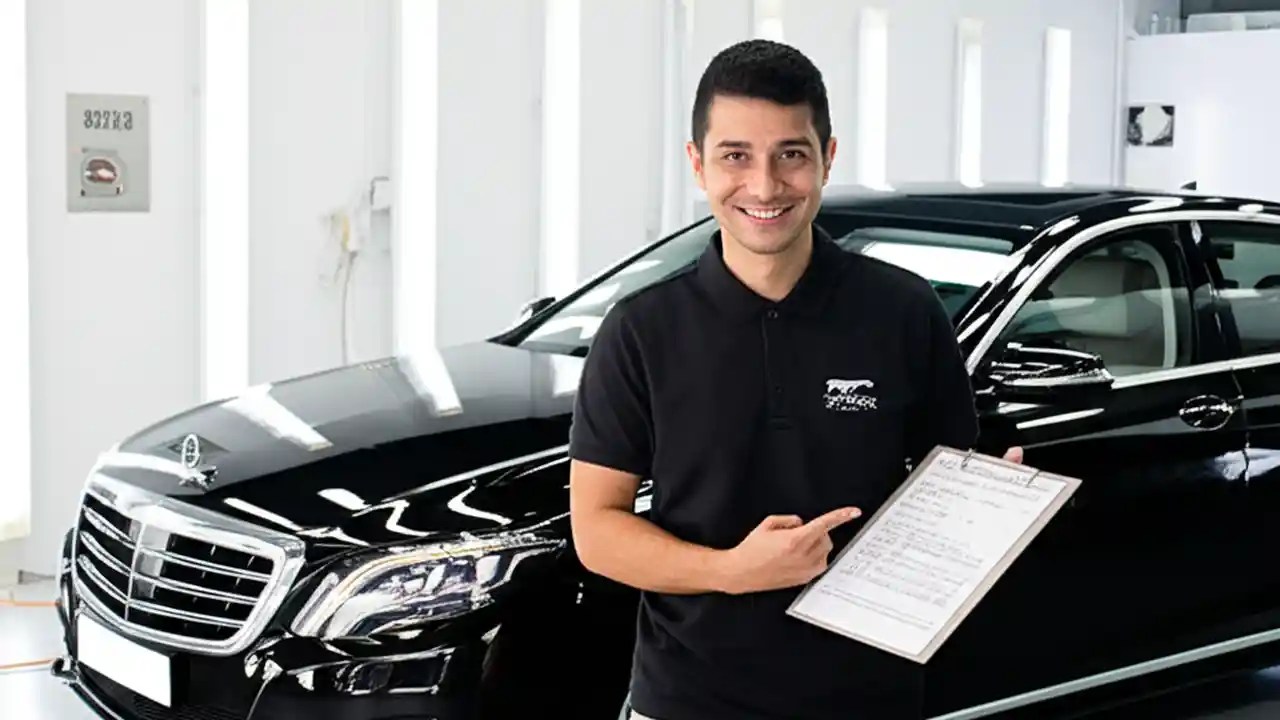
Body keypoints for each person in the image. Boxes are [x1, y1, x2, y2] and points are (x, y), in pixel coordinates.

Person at [567, 39, 1022, 720]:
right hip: (690, 701)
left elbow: (941, 485)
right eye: (735, 156)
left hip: (868, 696)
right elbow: (596, 531)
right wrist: (731, 572)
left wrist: (984, 515)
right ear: (697, 164)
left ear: (827, 158)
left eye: (791, 154)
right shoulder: (641, 331)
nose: (764, 186)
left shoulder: (902, 311)